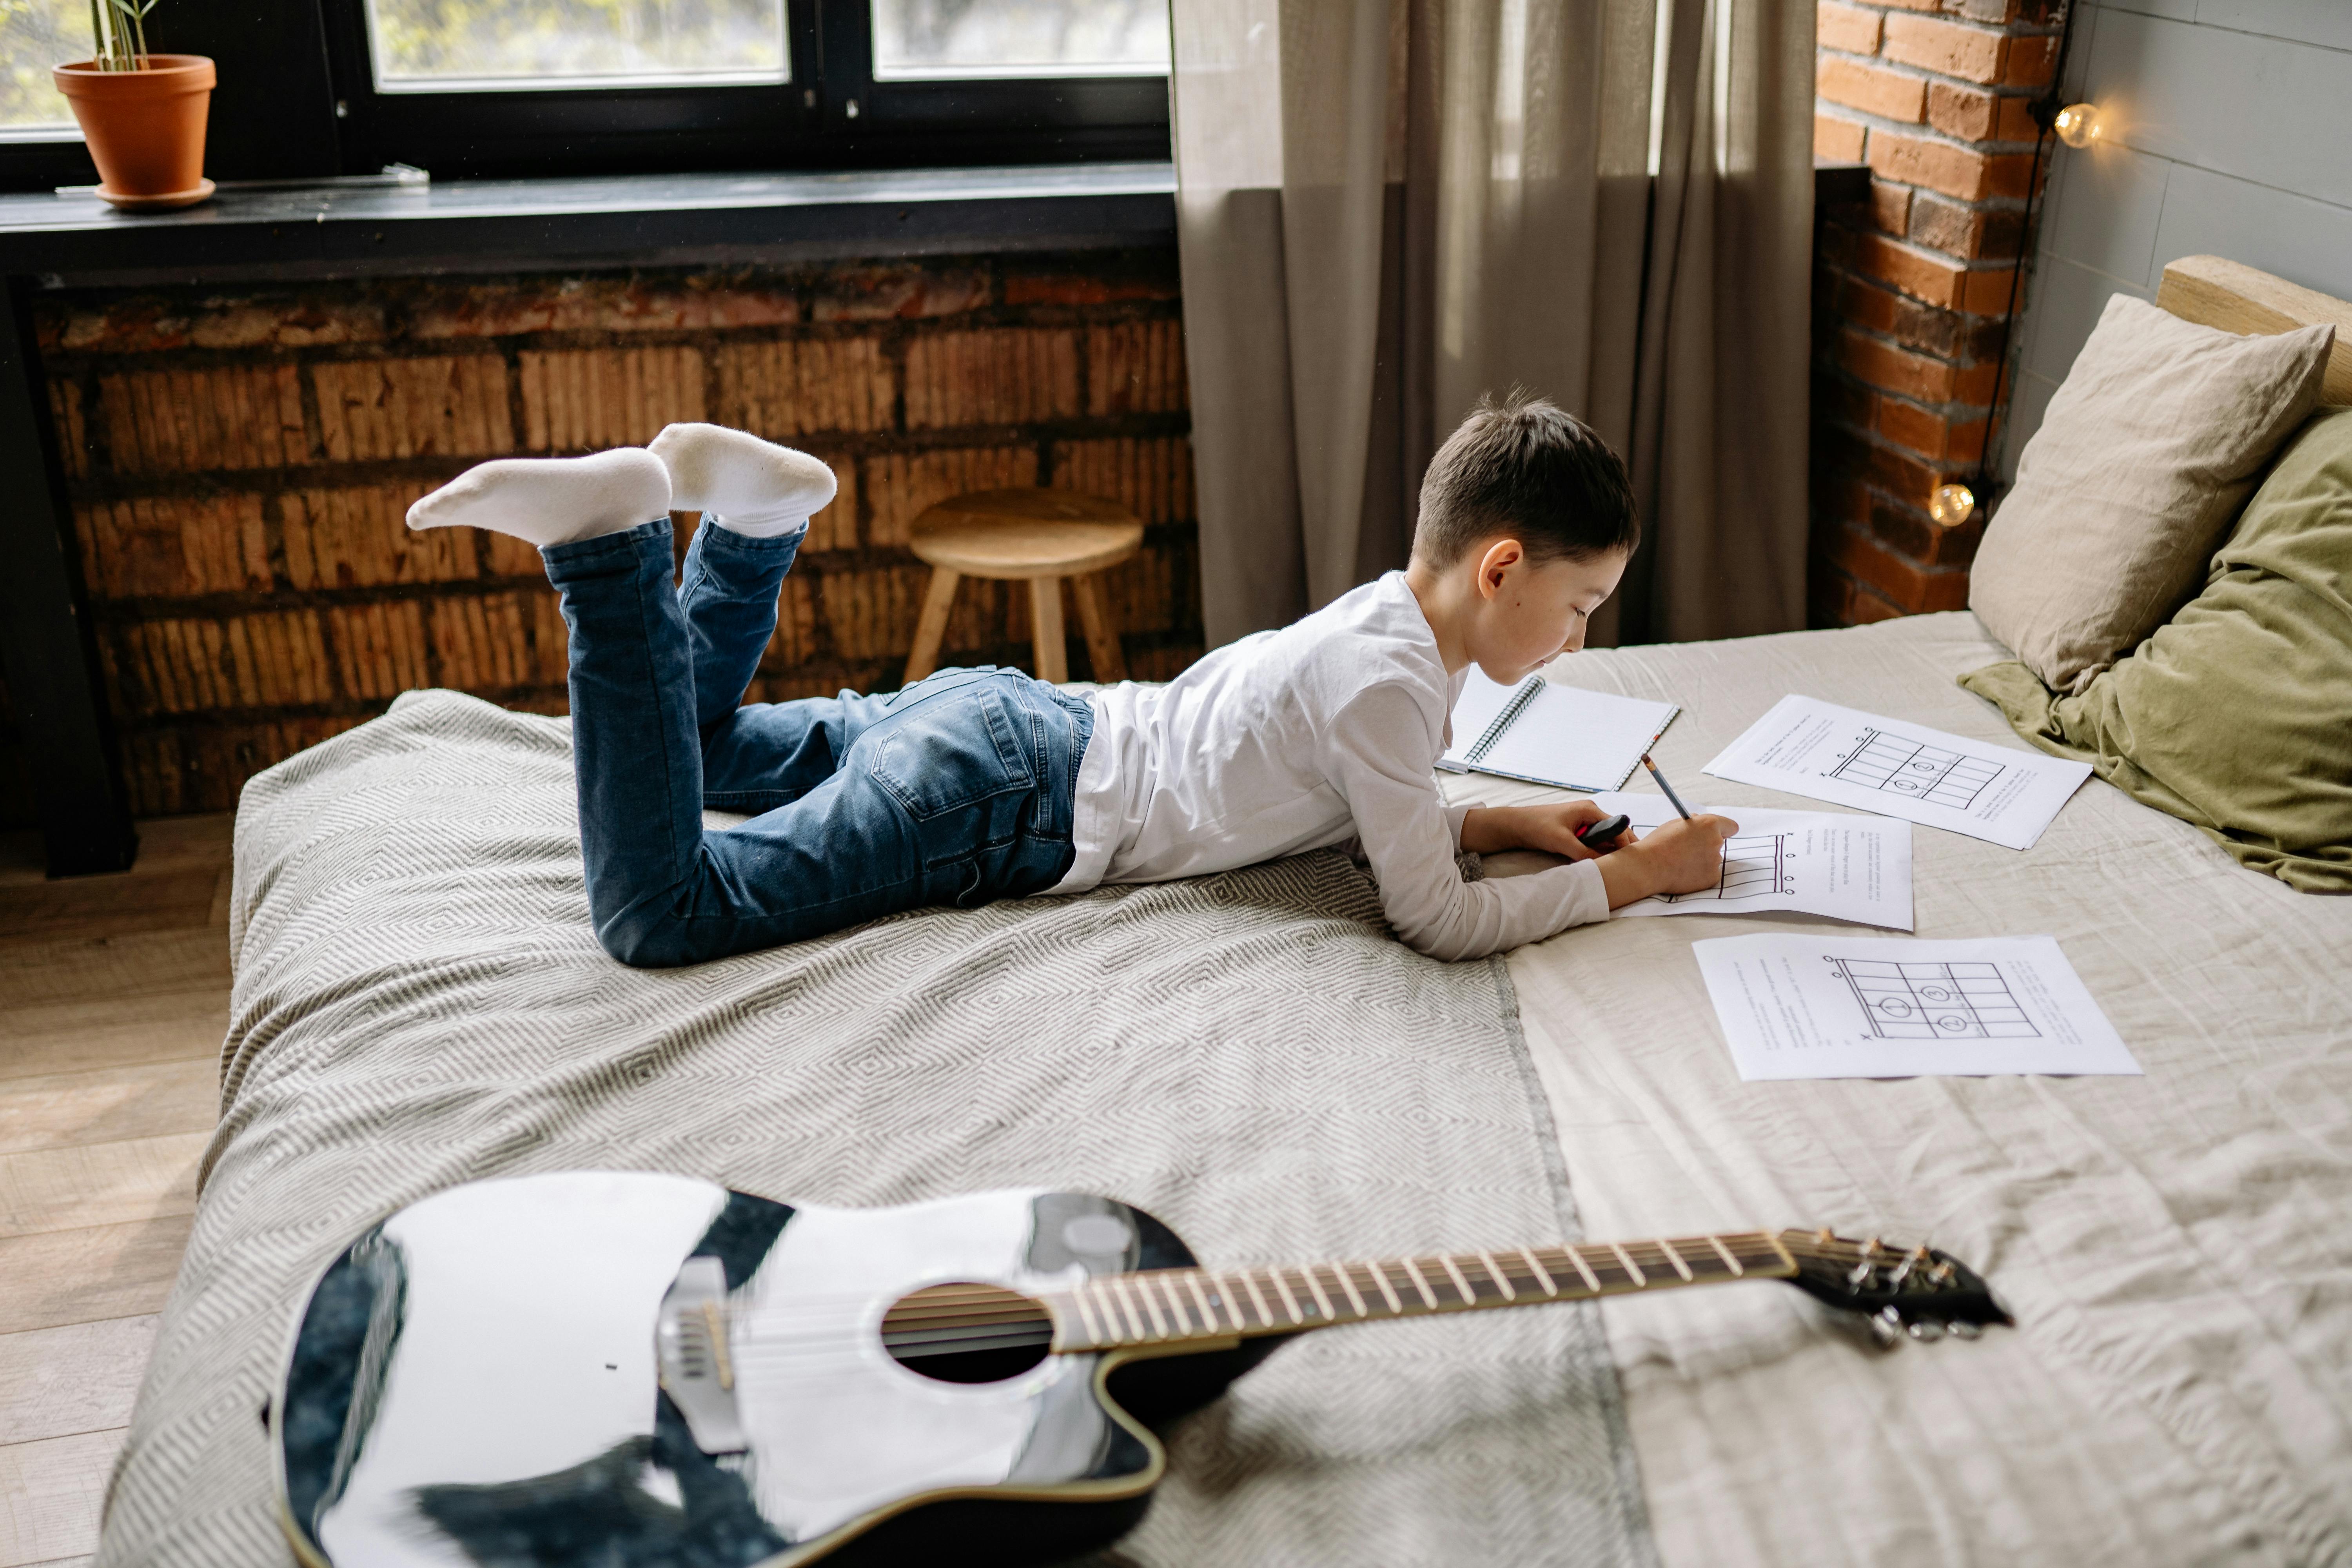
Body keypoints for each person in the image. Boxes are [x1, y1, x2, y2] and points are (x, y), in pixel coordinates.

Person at [406, 393, 1736, 967]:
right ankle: (611, 556)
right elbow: (1435, 924)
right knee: (663, 912)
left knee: (697, 750)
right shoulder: (1394, 690)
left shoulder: (1383, 629)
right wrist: (1630, 878)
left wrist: (1495, 821)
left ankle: (755, 525)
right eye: (1579, 608)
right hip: (1006, 797)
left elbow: (1336, 805)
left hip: (1015, 716)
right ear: (1500, 569)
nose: (1577, 642)